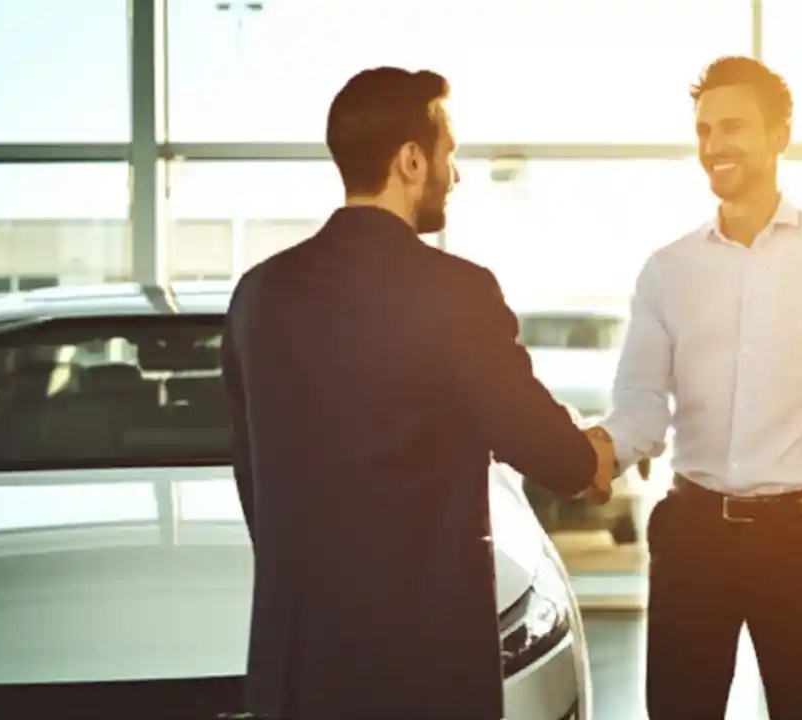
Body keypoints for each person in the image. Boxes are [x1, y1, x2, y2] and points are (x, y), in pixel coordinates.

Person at [219, 66, 615, 720]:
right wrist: (594, 454)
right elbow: (548, 451)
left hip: (299, 666)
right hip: (421, 669)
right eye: (448, 153)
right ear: (410, 160)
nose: (454, 175)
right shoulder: (455, 293)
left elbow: (252, 475)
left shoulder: (259, 295)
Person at [586, 56, 802, 719]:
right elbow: (641, 410)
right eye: (704, 130)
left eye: (733, 127)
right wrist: (594, 449)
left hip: (801, 545)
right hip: (692, 538)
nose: (713, 147)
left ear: (780, 135)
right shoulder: (667, 271)